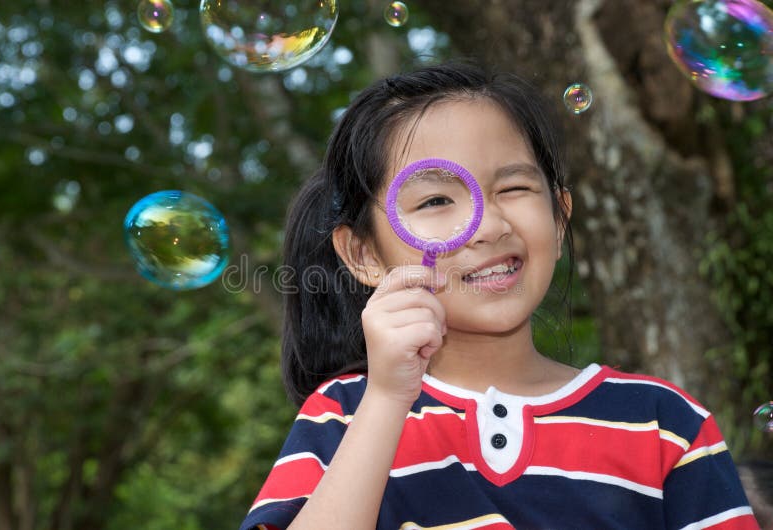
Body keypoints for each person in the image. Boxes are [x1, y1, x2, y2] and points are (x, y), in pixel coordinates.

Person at [239, 61, 760, 529]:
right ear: (363, 255)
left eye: (512, 188)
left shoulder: (665, 423)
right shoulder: (343, 417)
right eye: (437, 199)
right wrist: (386, 399)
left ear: (559, 218)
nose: (487, 225)